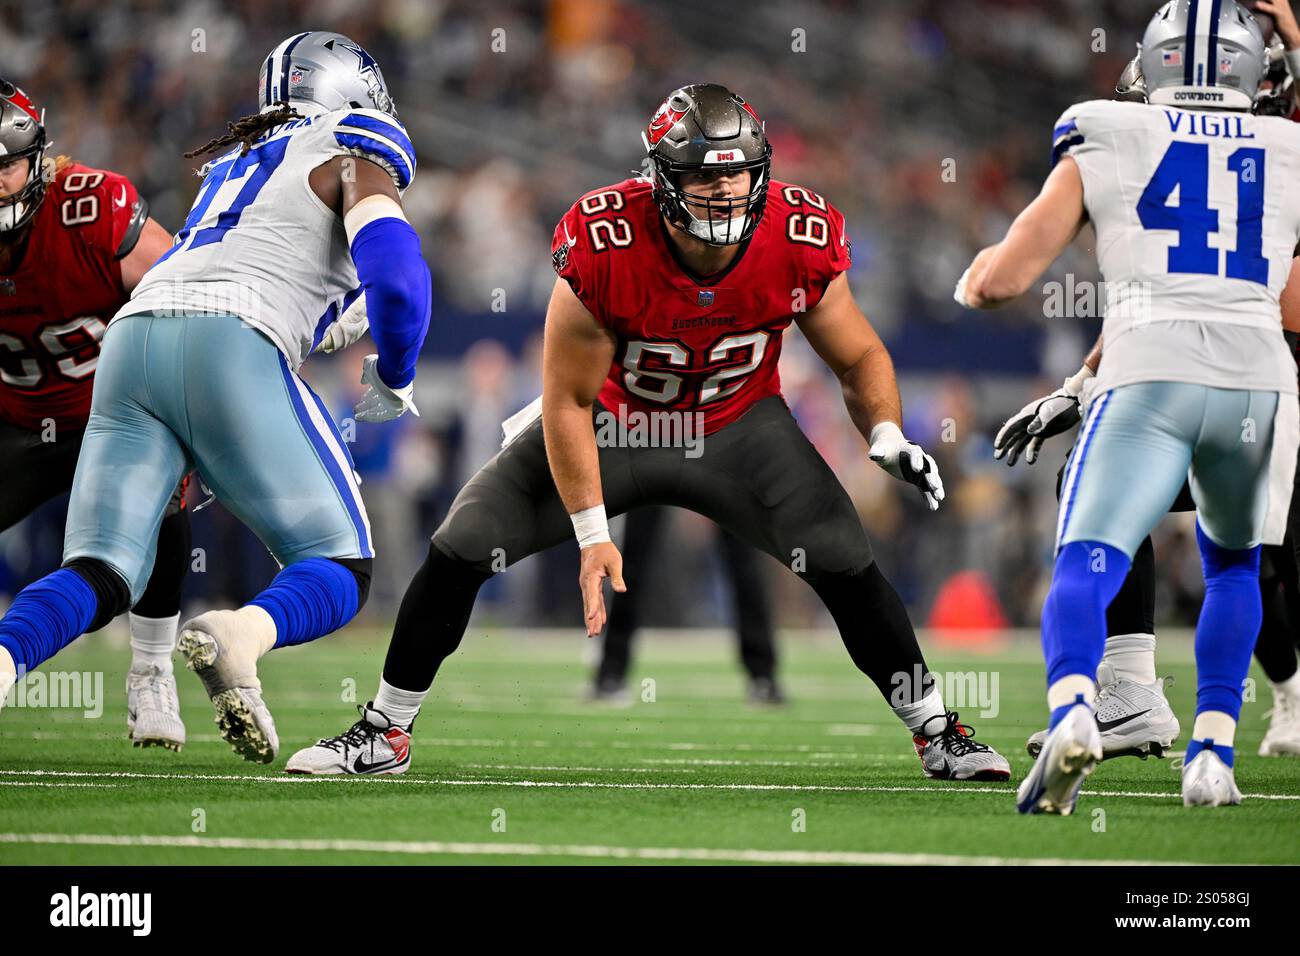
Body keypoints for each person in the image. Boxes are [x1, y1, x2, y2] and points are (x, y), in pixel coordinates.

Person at [289, 83, 1010, 782]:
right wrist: (593, 533)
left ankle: (938, 733)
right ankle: (385, 729)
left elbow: (858, 355)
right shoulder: (604, 239)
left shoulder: (798, 231)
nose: (725, 193)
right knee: (463, 542)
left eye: (738, 175)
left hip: (739, 427)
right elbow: (566, 400)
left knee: (845, 560)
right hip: (613, 423)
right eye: (703, 175)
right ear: (662, 178)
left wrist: (883, 432)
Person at [0, 32, 432, 767]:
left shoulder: (235, 160)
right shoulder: (353, 140)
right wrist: (395, 373)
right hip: (232, 338)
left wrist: (328, 318)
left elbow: (260, 269)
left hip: (132, 344)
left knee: (102, 570)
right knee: (341, 564)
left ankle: (5, 661)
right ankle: (241, 636)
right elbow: (398, 278)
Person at [959, 0, 1300, 812]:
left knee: (1084, 558)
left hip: (1148, 370)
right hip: (1260, 380)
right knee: (1236, 568)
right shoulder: (1289, 148)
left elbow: (1001, 281)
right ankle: (1213, 752)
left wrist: (974, 276)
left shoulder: (1103, 129)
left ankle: (1078, 704)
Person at [0, 79, 191, 749]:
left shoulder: (91, 207)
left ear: (36, 160)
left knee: (168, 495)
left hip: (111, 415)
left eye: (7, 168)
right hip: (17, 418)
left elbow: (183, 297)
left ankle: (150, 669)